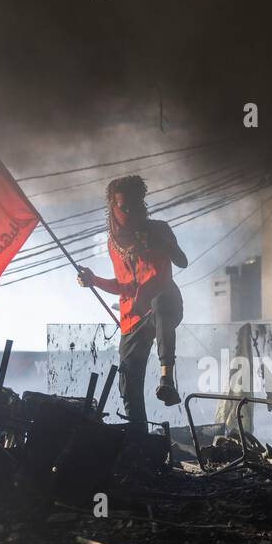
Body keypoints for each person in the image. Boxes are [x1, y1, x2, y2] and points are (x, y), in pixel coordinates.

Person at [76, 175, 187, 424]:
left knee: (160, 303)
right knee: (128, 383)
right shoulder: (113, 244)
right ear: (112, 209)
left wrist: (164, 245)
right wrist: (94, 281)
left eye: (136, 206)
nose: (130, 212)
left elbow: (182, 261)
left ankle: (166, 379)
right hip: (132, 320)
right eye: (124, 207)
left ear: (143, 205)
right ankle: (139, 441)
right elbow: (122, 285)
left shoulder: (158, 229)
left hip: (163, 306)